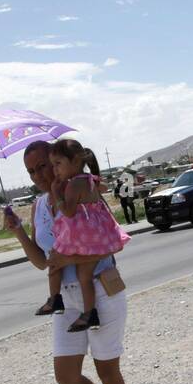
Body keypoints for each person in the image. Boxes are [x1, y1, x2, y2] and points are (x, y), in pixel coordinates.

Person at [6, 142, 133, 384]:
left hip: (100, 288)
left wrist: (69, 257)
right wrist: (19, 232)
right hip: (68, 298)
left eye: (43, 166)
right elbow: (43, 262)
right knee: (65, 374)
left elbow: (107, 244)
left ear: (56, 161)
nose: (39, 175)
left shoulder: (81, 189)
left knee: (107, 369)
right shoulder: (39, 206)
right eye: (31, 171)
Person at [47, 138, 131, 333]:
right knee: (84, 275)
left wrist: (56, 193)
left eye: (58, 164)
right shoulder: (90, 180)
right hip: (97, 235)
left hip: (82, 237)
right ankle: (89, 314)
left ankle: (57, 300)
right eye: (53, 165)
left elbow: (68, 212)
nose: (55, 170)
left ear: (75, 161)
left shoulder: (74, 184)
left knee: (56, 261)